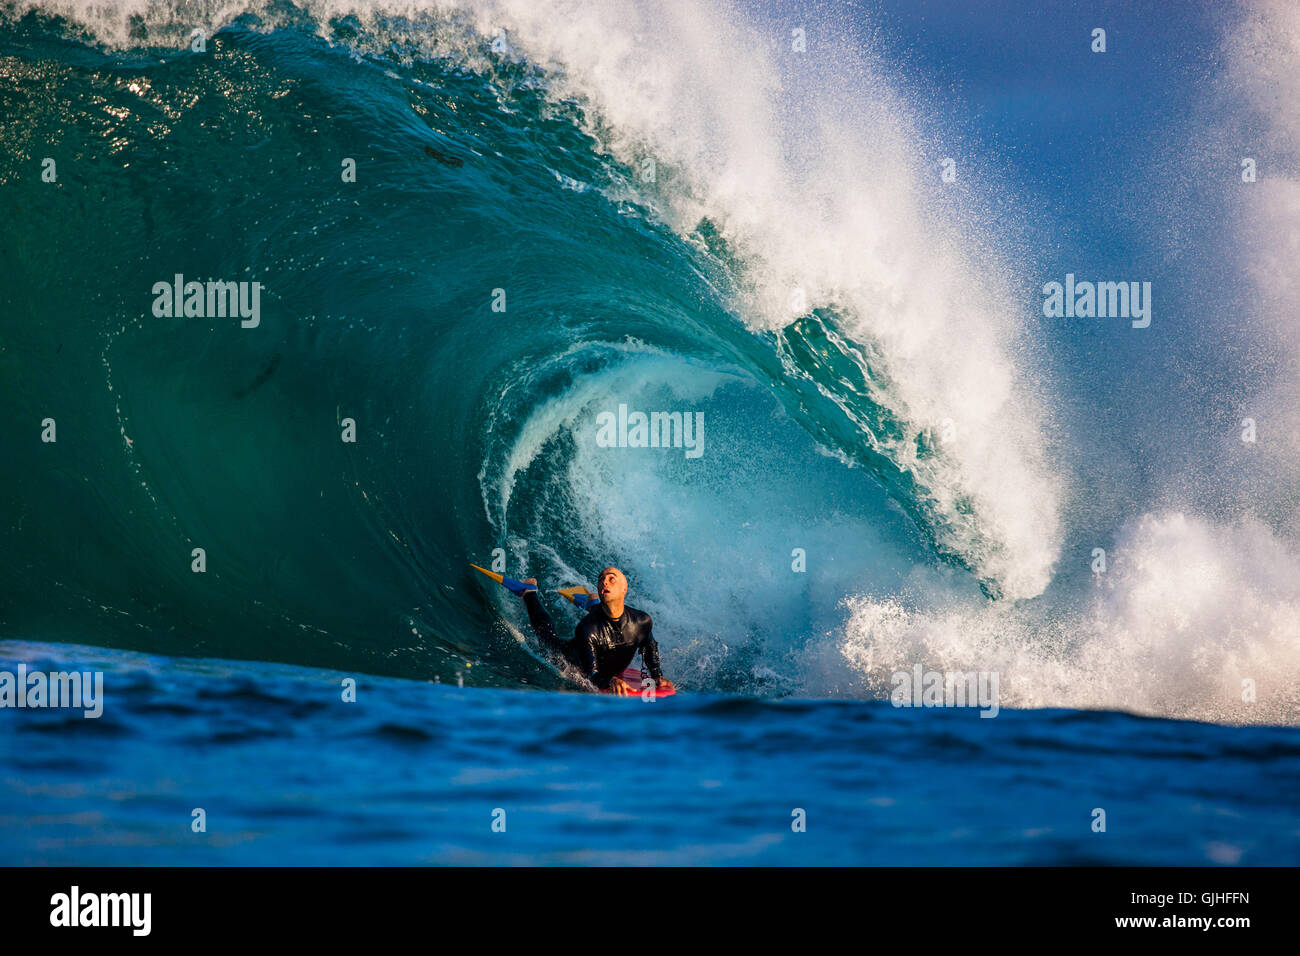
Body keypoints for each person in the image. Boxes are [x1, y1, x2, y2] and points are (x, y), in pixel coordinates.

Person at [520, 567, 674, 697]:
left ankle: (593, 602)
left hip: (605, 641)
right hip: (572, 656)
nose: (604, 582)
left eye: (611, 579)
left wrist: (657, 676)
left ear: (624, 589)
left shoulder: (642, 621)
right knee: (548, 637)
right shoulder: (587, 628)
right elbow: (590, 675)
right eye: (601, 579)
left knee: (604, 612)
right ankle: (529, 592)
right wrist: (610, 681)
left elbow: (649, 647)